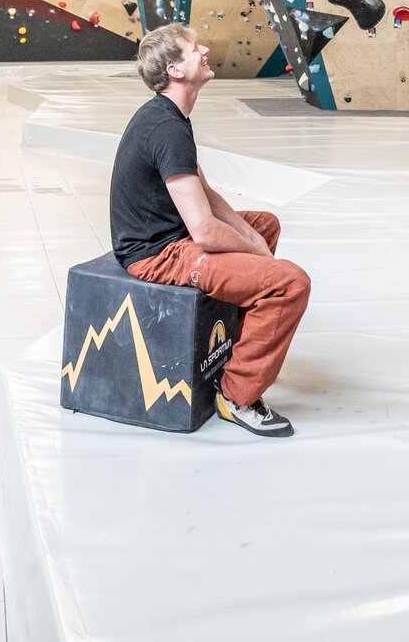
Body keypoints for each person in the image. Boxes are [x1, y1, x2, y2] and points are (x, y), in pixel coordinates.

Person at [110, 24, 311, 437]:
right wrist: (255, 253)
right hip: (156, 253)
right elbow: (203, 232)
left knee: (265, 224)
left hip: (175, 234)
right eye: (192, 48)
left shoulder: (171, 115)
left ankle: (235, 347)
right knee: (290, 283)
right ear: (175, 70)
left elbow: (204, 190)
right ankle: (237, 396)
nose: (204, 49)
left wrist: (253, 237)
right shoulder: (166, 127)